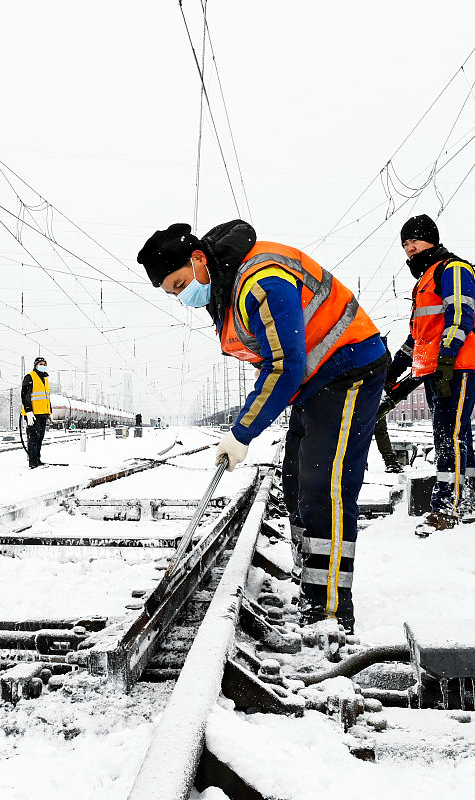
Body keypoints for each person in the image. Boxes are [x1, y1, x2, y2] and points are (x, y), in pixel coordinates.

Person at [137, 220, 386, 633]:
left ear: (198, 259)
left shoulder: (261, 281)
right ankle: (312, 591)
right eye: (173, 294)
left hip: (349, 368)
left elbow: (284, 365)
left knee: (326, 487)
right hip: (316, 380)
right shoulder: (225, 290)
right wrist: (242, 427)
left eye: (180, 284)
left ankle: (330, 614)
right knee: (296, 482)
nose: (183, 298)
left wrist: (241, 432)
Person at [386, 215, 475, 535]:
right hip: (436, 368)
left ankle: (447, 507)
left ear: (432, 239)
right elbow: (419, 334)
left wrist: (446, 358)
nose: (409, 247)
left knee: (448, 435)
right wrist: (394, 369)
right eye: (405, 243)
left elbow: (461, 315)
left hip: (458, 365)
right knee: (458, 433)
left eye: (414, 240)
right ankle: (466, 497)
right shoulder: (424, 280)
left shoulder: (453, 269)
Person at [22, 356, 51, 468]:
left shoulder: (45, 379)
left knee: (40, 437)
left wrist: (50, 412)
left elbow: (47, 398)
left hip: (43, 413)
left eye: (44, 364)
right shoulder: (30, 377)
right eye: (40, 364)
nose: (43, 366)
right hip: (33, 414)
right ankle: (32, 461)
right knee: (34, 437)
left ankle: (37, 459)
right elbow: (25, 396)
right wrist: (28, 411)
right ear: (35, 365)